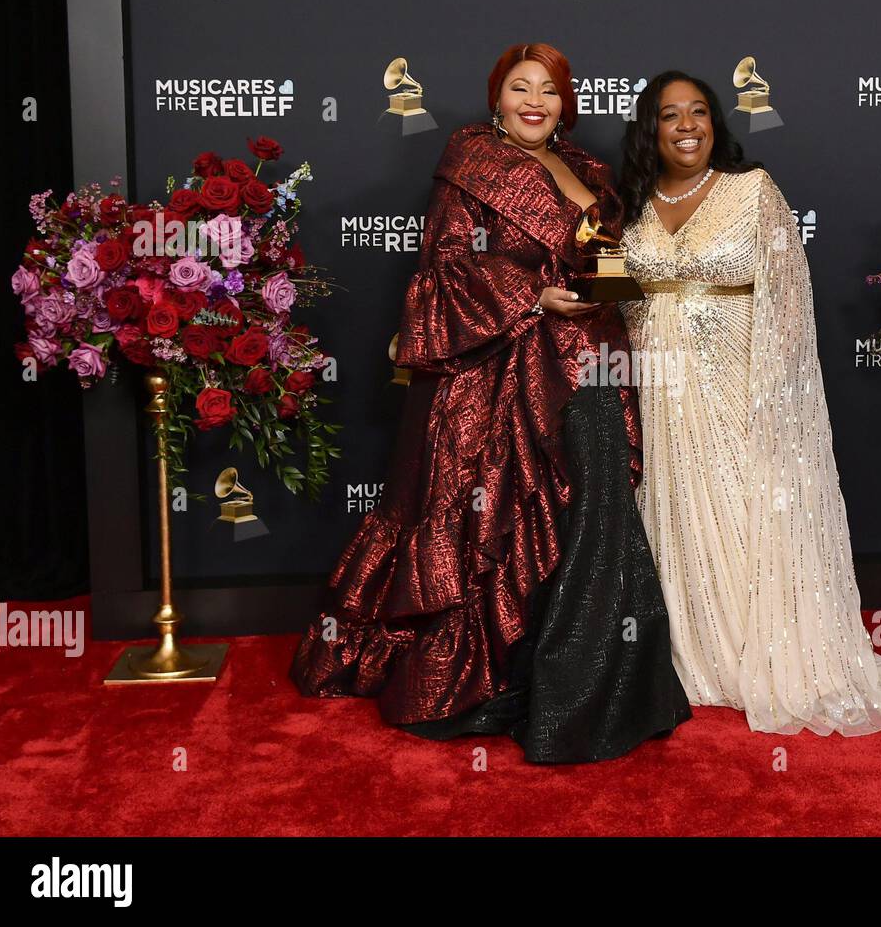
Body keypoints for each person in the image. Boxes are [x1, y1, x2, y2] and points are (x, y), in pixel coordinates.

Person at [291, 44, 690, 762]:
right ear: (496, 99)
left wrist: (609, 286)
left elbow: (603, 260)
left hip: (589, 365)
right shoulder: (469, 166)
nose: (534, 100)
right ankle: (501, 687)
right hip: (500, 378)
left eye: (549, 89)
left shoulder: (593, 174)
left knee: (593, 518)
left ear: (566, 104)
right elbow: (440, 276)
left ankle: (593, 687)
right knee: (499, 527)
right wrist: (529, 294)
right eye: (519, 87)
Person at [617, 71, 881, 736]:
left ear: (716, 122)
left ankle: (762, 653)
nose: (687, 125)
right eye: (670, 115)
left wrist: (779, 401)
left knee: (743, 511)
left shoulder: (752, 191)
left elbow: (788, 298)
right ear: (651, 130)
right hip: (660, 391)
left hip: (738, 385)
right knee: (678, 511)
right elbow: (623, 300)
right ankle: (696, 655)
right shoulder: (632, 204)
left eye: (698, 112)